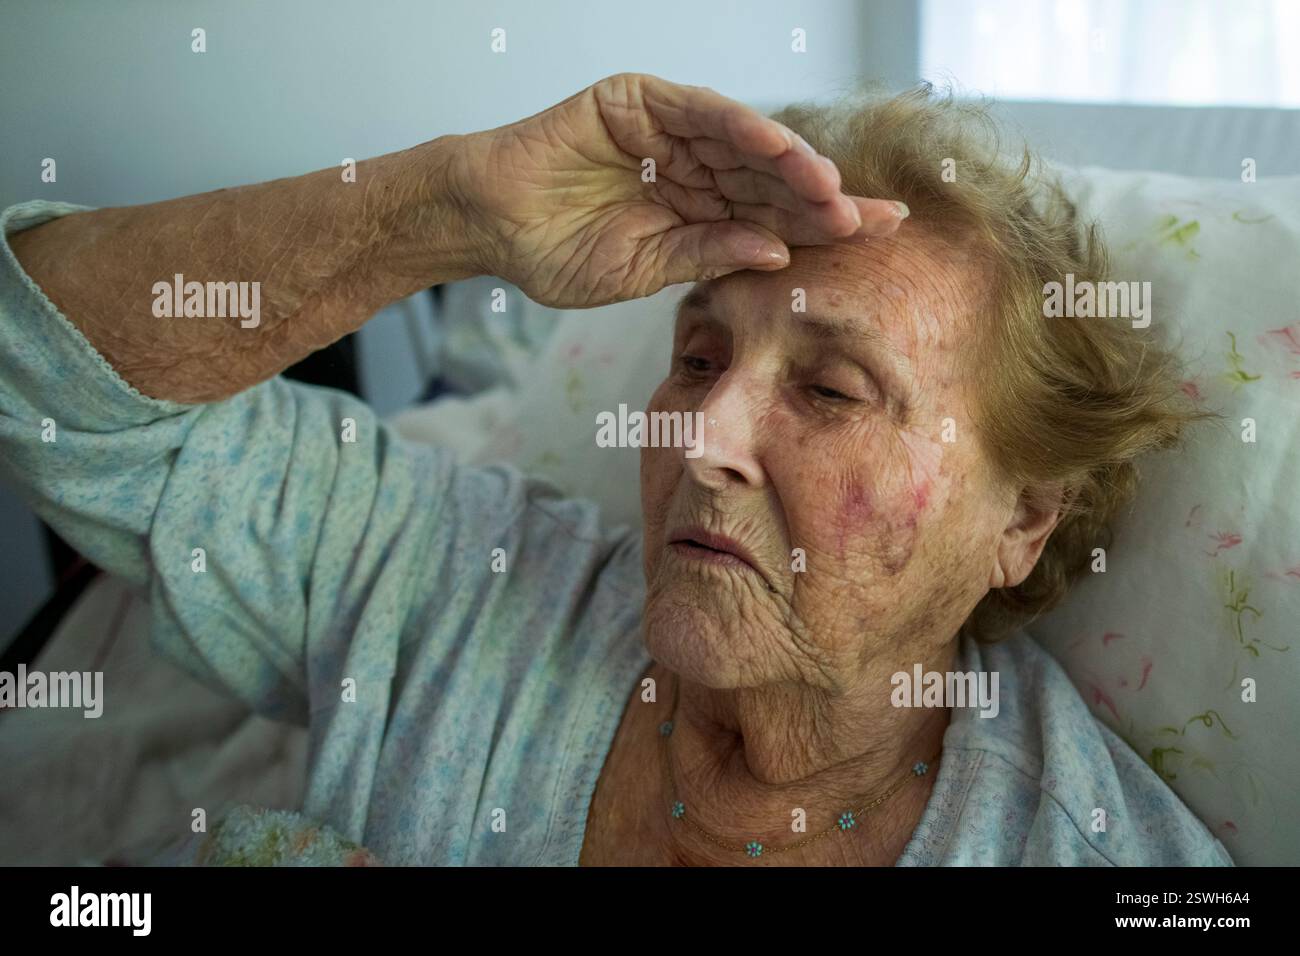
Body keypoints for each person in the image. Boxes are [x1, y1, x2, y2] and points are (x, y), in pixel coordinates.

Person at [0, 73, 1231, 865]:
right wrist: (445, 210)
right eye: (697, 357)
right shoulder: (456, 582)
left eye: (830, 389)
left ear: (1022, 517)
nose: (695, 437)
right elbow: (44, 388)